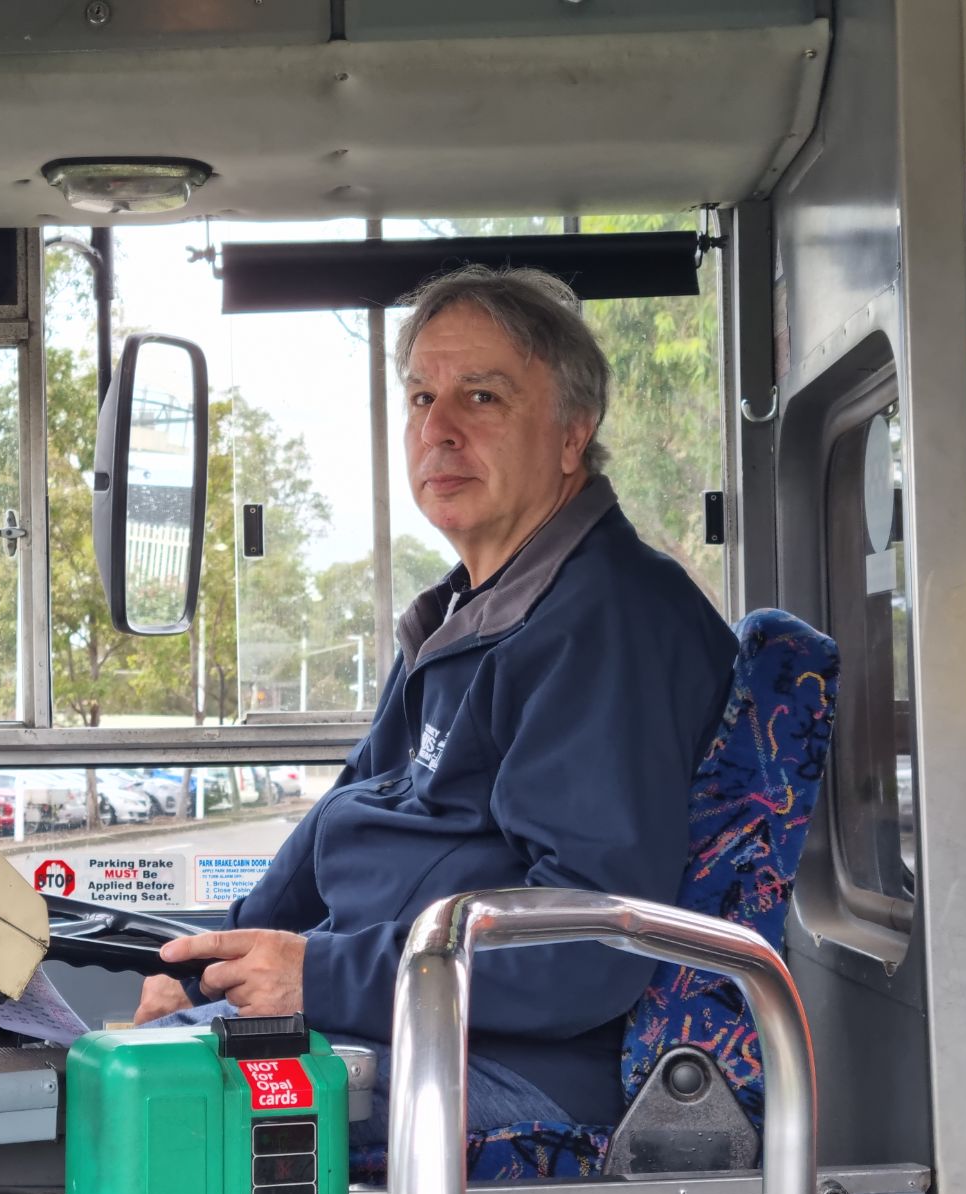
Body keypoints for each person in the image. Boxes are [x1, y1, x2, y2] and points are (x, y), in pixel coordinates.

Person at [134, 265, 737, 1140]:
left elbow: (589, 941)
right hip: (405, 1021)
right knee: (122, 1072)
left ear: (574, 434)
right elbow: (345, 812)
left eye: (482, 397)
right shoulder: (462, 615)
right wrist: (204, 961)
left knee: (155, 1113)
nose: (439, 430)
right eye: (421, 399)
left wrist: (320, 976)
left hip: (515, 1068)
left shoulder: (606, 624)